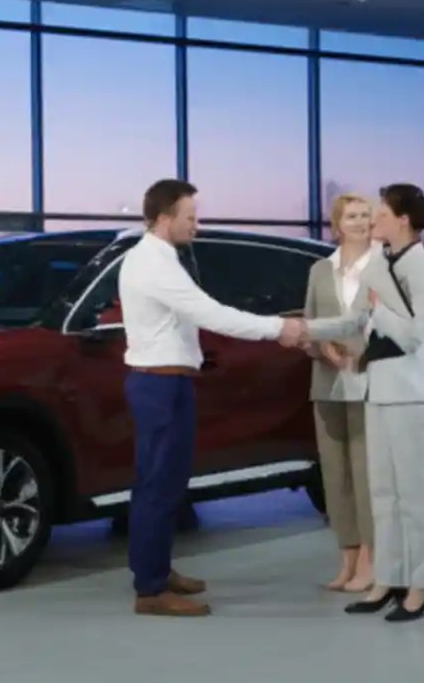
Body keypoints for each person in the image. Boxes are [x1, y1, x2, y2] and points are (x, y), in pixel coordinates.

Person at [119, 178, 305, 617]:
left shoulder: (160, 258)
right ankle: (150, 589)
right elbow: (211, 314)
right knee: (158, 486)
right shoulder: (154, 264)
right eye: (190, 217)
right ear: (164, 219)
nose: (197, 225)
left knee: (166, 484)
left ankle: (157, 571)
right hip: (160, 386)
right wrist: (280, 328)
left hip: (169, 383)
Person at [302, 183, 424, 622]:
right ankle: (387, 578)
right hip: (378, 388)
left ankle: (423, 585)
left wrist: (378, 307)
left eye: (381, 213)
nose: (374, 220)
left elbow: (416, 335)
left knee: (415, 495)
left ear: (402, 219)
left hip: (413, 391)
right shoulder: (382, 262)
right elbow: (357, 320)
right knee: (382, 493)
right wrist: (305, 331)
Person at [302, 193, 376, 592]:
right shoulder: (319, 270)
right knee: (335, 475)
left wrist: (356, 349)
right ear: (337, 223)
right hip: (327, 383)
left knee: (366, 475)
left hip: (369, 383)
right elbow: (310, 324)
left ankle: (370, 559)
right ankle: (346, 559)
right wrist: (321, 346)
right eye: (352, 215)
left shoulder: (384, 268)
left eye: (366, 214)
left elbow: (387, 326)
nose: (360, 221)